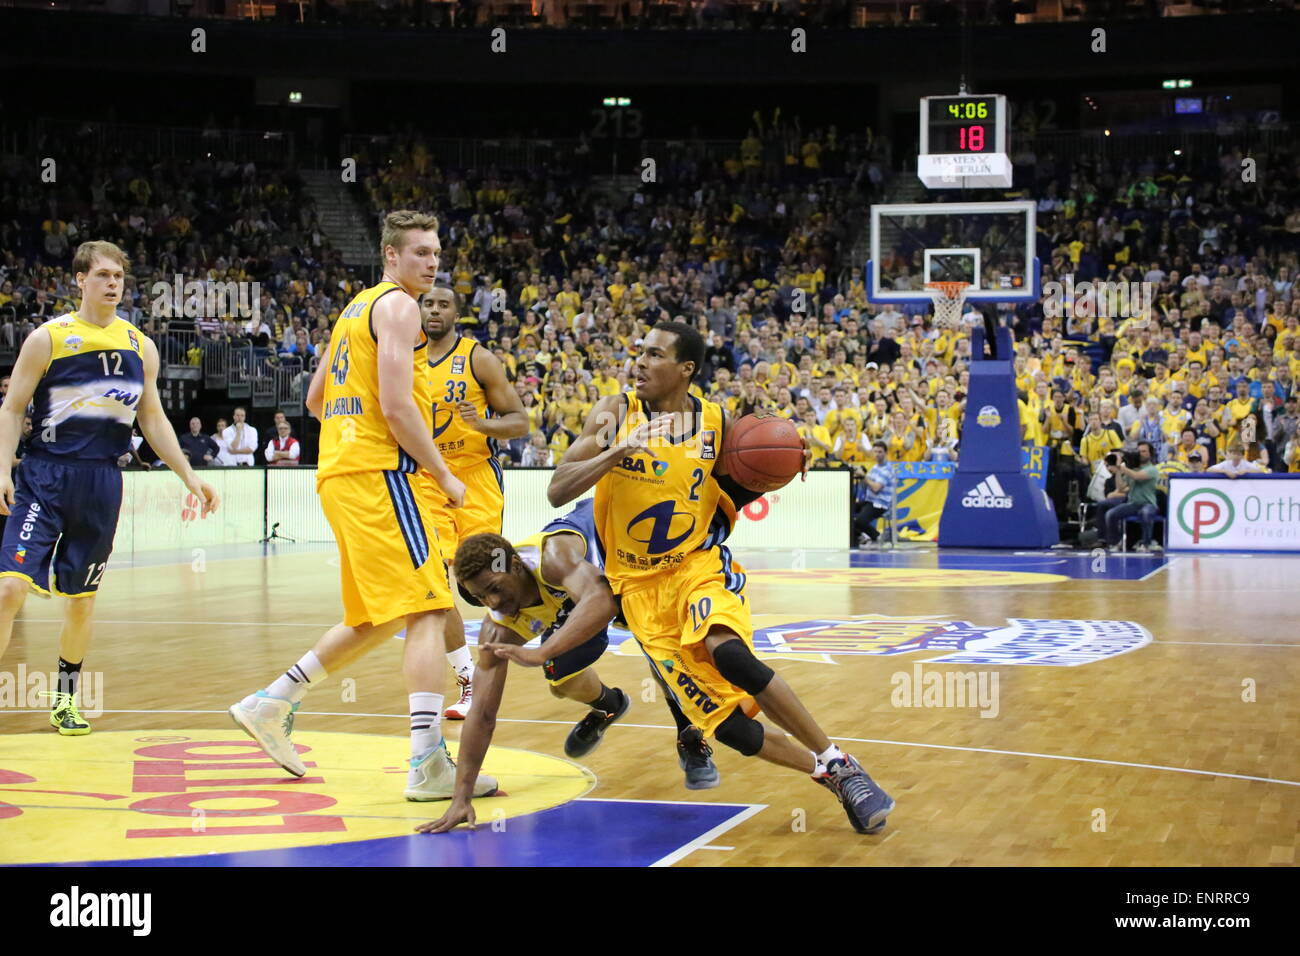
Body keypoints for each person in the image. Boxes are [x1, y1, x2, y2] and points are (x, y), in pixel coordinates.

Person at [542, 321, 894, 834]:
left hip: (696, 567)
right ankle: (828, 775)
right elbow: (557, 489)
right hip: (638, 591)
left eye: (654, 354)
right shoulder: (615, 413)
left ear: (685, 369)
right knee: (728, 727)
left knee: (729, 653)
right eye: (638, 351)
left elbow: (747, 476)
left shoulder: (717, 423)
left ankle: (839, 761)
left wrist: (785, 459)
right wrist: (618, 450)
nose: (638, 362)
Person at [229, 210, 495, 803]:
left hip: (343, 473)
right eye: (420, 253)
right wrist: (444, 474)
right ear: (391, 257)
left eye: (436, 252)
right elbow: (399, 409)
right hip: (382, 476)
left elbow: (316, 398)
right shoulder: (399, 307)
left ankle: (271, 703)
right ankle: (427, 764)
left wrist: (356, 432)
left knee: (375, 616)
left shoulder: (355, 309)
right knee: (428, 608)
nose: (432, 262)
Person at [0, 240, 219, 735]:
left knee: (81, 599)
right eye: (102, 275)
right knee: (9, 589)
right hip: (43, 475)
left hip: (102, 482)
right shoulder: (48, 338)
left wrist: (189, 474)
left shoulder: (140, 345)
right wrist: (1, 472)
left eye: (118, 275)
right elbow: (12, 409)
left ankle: (65, 699)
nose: (112, 283)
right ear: (79, 280)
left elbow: (154, 417)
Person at [418, 500, 723, 832]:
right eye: (481, 597)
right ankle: (610, 705)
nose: (492, 602)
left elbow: (603, 601)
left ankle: (689, 736)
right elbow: (482, 713)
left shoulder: (554, 558)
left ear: (517, 566)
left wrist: (543, 649)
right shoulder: (498, 625)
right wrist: (461, 796)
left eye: (495, 589)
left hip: (626, 562)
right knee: (560, 680)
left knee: (659, 650)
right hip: (580, 598)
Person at [419, 284, 528, 720]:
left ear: (456, 313)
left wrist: (481, 423)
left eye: (443, 304)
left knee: (488, 585)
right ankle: (468, 679)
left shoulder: (478, 358)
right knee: (433, 586)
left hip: (477, 479)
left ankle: (539, 634)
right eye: (427, 302)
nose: (434, 309)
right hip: (426, 482)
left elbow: (519, 421)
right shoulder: (400, 359)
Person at [1095, 442, 1162, 552]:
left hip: (1148, 503)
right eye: (1139, 451)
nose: (1140, 454)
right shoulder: (1132, 469)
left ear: (1150, 454)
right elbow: (1121, 487)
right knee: (1110, 514)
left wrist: (1122, 467)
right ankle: (1115, 543)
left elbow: (1137, 477)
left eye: (1144, 451)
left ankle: (1146, 544)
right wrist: (1117, 471)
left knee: (1146, 513)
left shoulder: (1152, 469)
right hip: (1133, 503)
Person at [852, 440, 894, 547]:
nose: (877, 454)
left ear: (886, 453)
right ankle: (860, 536)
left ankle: (877, 537)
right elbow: (867, 483)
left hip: (880, 504)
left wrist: (863, 476)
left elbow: (875, 488)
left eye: (880, 452)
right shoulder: (875, 467)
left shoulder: (887, 469)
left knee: (860, 521)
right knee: (848, 510)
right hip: (869, 501)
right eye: (875, 452)